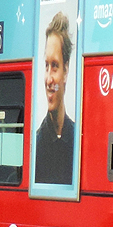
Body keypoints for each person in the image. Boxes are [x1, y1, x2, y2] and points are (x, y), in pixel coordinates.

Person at [33, 11, 76, 185]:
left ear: (66, 71)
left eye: (55, 66)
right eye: (46, 66)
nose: (49, 79)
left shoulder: (78, 139)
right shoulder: (35, 144)